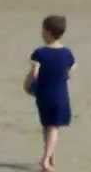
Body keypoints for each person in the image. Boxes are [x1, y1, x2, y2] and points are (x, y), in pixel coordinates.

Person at [24, 15, 76, 172]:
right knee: (54, 127)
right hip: (60, 96)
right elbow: (71, 70)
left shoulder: (39, 53)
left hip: (43, 95)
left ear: (48, 32)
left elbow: (34, 74)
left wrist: (27, 86)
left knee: (47, 126)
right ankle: (46, 159)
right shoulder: (67, 53)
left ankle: (48, 157)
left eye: (42, 30)